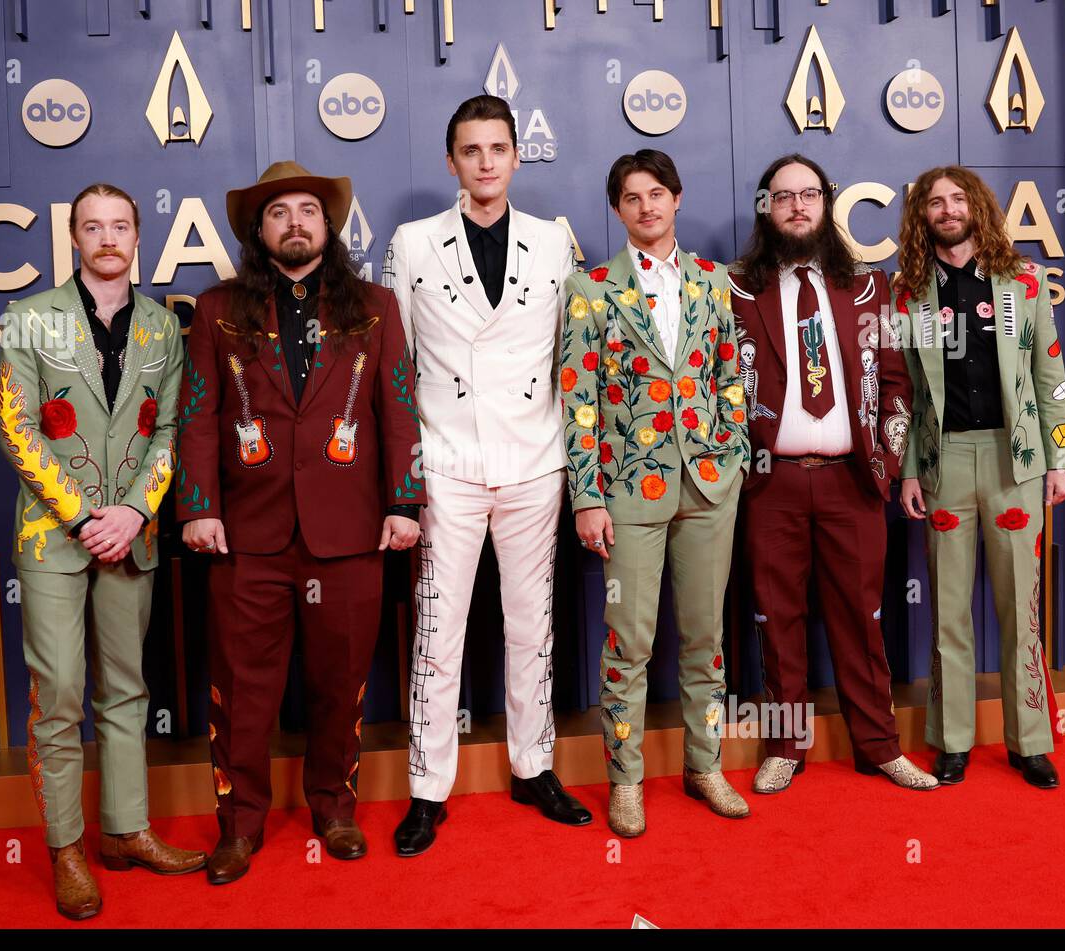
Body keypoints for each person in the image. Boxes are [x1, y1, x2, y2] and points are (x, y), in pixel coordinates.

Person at [175, 162, 424, 883]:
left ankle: (334, 809)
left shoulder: (374, 306)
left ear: (328, 225)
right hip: (244, 540)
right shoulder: (217, 307)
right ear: (259, 230)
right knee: (241, 689)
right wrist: (198, 507)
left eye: (307, 210)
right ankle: (239, 824)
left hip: (348, 534)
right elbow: (197, 418)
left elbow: (399, 410)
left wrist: (404, 503)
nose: (294, 222)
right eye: (278, 211)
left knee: (339, 680)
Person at [382, 95, 590, 857]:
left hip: (536, 460)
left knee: (532, 627)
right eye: (471, 151)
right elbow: (396, 372)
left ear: (515, 155)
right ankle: (427, 791)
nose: (486, 162)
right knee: (438, 635)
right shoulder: (412, 243)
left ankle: (534, 768)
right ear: (452, 161)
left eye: (498, 148)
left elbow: (571, 359)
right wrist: (405, 478)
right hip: (447, 466)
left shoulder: (552, 243)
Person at [0, 182, 205, 920]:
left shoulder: (162, 328)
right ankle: (65, 849)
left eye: (120, 226)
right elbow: (18, 431)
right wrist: (88, 515)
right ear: (74, 239)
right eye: (93, 227)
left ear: (137, 237)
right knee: (57, 696)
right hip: (54, 536)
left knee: (126, 690)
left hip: (133, 535)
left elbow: (168, 433)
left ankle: (128, 830)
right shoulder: (29, 319)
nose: (107, 237)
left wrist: (134, 510)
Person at [729, 154, 937, 794]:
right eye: (783, 195)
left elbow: (897, 384)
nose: (797, 205)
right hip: (773, 481)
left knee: (861, 615)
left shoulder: (871, 289)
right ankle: (786, 746)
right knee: (777, 618)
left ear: (826, 204)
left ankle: (879, 745)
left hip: (853, 481)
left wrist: (889, 460)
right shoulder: (737, 289)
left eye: (809, 194)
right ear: (767, 207)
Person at [560, 149, 751, 836]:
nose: (647, 207)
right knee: (628, 644)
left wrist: (734, 455)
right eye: (632, 197)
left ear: (676, 199)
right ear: (618, 209)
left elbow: (731, 374)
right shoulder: (591, 288)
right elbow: (577, 399)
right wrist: (586, 496)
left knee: (705, 639)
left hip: (708, 485)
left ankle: (706, 767)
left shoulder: (714, 280)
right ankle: (627, 780)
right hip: (626, 494)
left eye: (658, 194)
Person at [895, 165, 1065, 789]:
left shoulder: (1021, 282)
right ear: (922, 219)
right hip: (944, 459)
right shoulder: (909, 291)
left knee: (1020, 605)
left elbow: (1050, 377)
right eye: (934, 204)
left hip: (1015, 459)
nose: (947, 210)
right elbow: (915, 394)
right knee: (948, 609)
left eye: (956, 199)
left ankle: (1030, 742)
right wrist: (910, 471)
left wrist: (1061, 460)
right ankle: (952, 740)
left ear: (977, 207)